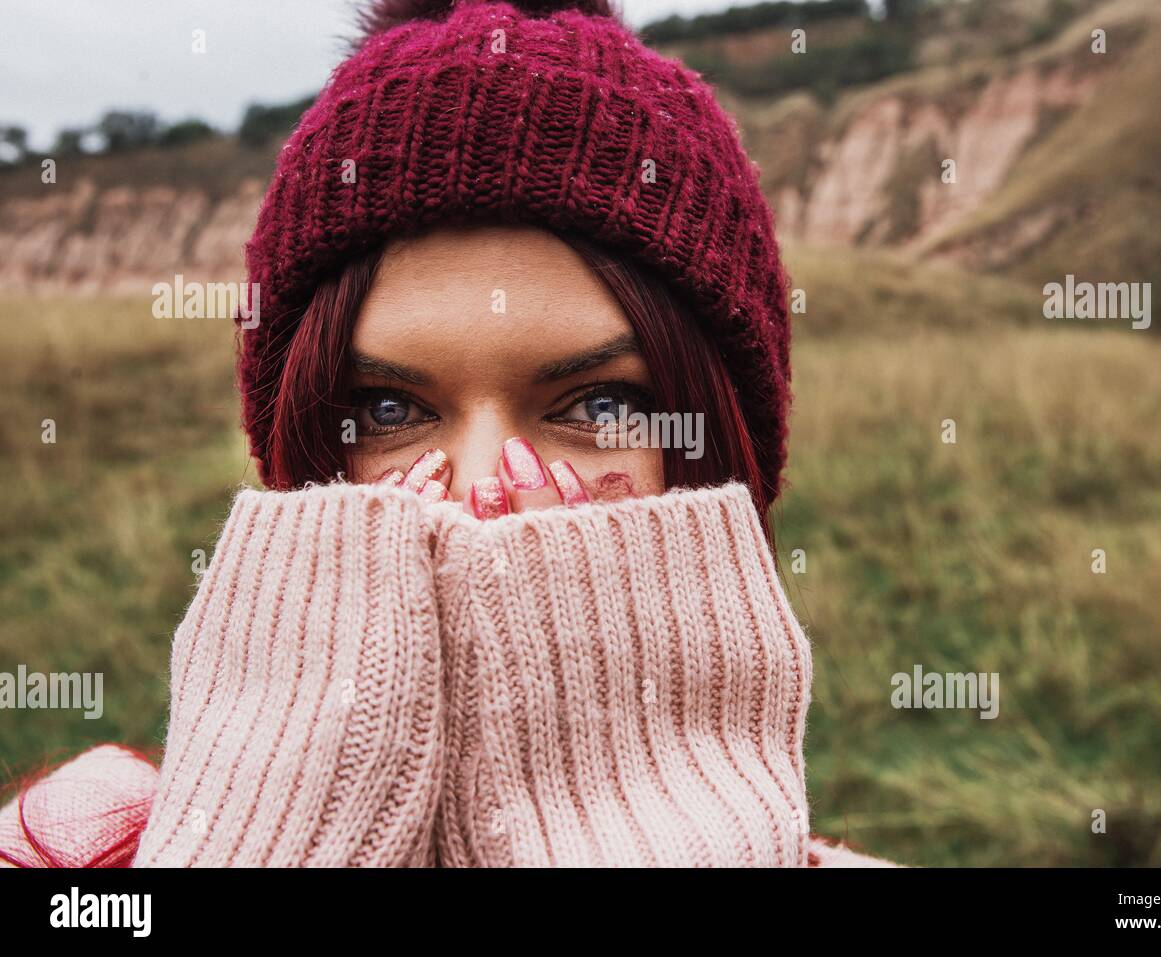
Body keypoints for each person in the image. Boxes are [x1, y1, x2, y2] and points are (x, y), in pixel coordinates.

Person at [0, 0, 891, 868]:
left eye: (601, 405)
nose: (484, 496)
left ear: (723, 451)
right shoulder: (74, 849)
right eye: (389, 409)